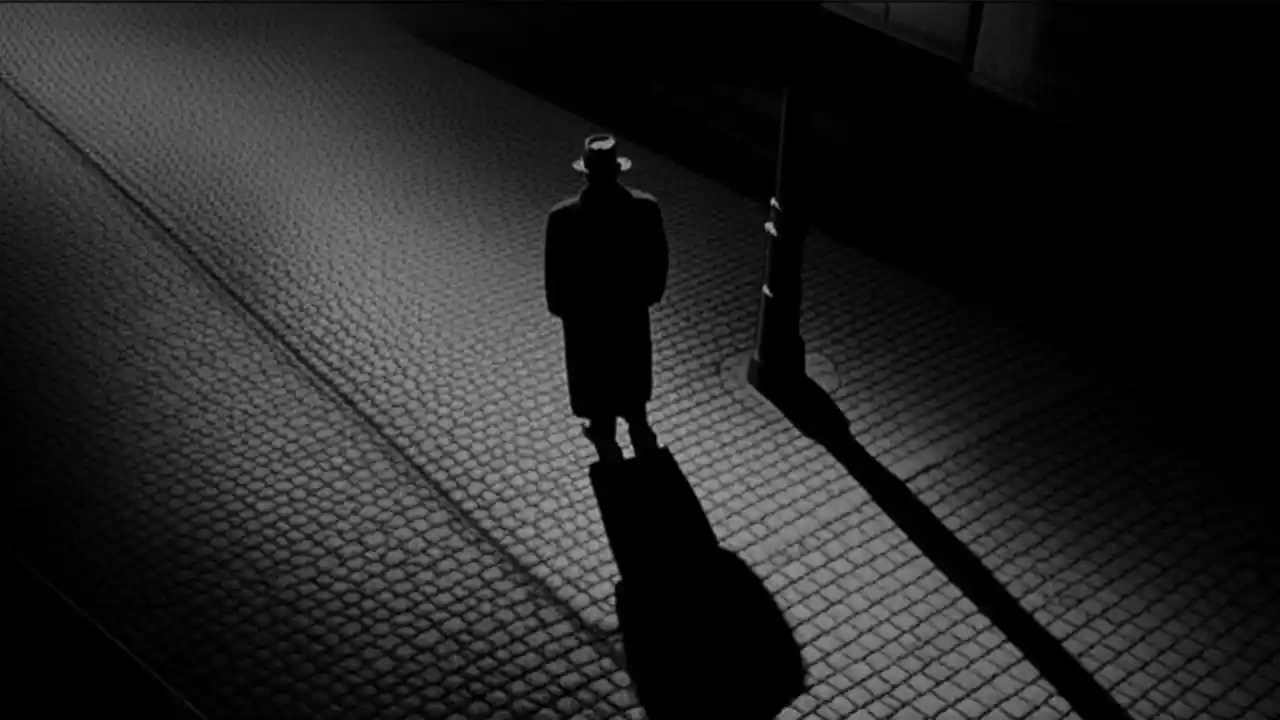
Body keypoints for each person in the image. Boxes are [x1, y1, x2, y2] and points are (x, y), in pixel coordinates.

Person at [545, 134, 669, 465]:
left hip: (586, 317)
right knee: (630, 365)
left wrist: (561, 308)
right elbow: (658, 259)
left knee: (593, 371)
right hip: (628, 310)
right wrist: (649, 294)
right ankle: (638, 424)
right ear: (617, 172)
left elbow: (555, 273)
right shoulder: (645, 208)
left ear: (585, 173)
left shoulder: (563, 218)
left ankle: (603, 432)